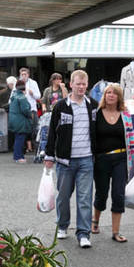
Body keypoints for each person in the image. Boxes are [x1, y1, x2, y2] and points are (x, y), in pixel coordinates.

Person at [45, 69, 97, 248]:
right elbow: (52, 132)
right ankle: (62, 225)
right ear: (71, 85)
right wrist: (49, 155)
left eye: (84, 84)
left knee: (84, 198)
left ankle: (83, 233)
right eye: (78, 84)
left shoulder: (93, 105)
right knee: (63, 197)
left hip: (86, 160)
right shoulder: (61, 106)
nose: (81, 87)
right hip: (64, 161)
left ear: (87, 85)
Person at [90, 83, 134, 244]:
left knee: (118, 194)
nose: (110, 95)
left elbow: (132, 139)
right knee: (102, 193)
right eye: (108, 93)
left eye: (114, 93)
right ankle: (95, 221)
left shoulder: (125, 115)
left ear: (119, 97)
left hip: (121, 159)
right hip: (101, 159)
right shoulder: (96, 114)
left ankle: (115, 231)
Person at [7, 76, 34, 162]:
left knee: (17, 138)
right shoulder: (22, 97)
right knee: (20, 139)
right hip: (21, 121)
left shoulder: (14, 95)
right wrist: (30, 115)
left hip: (14, 120)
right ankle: (18, 157)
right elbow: (25, 110)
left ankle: (18, 156)